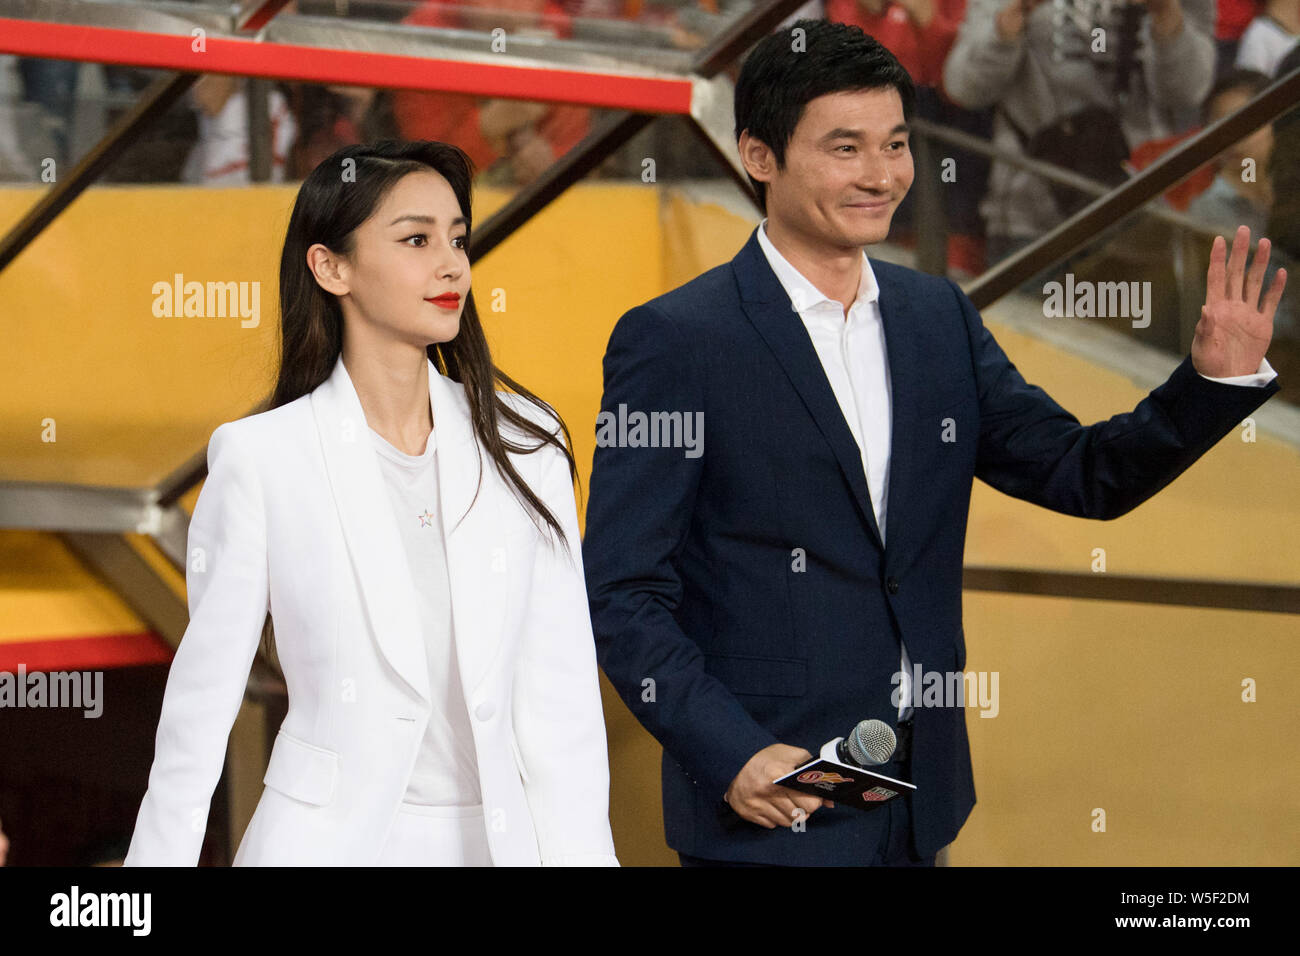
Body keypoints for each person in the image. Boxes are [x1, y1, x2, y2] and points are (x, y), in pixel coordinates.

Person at [581, 19, 1285, 867]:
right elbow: (622, 590)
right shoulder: (677, 339)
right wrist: (730, 750)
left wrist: (1210, 384)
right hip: (767, 811)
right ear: (759, 156)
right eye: (846, 148)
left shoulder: (936, 317)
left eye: (896, 144)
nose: (882, 176)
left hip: (918, 807)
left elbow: (1081, 473)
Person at [124, 140, 618, 867]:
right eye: (416, 239)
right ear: (331, 266)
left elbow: (563, 703)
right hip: (324, 846)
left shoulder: (528, 445)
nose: (451, 264)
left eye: (457, 238)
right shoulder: (263, 457)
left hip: (499, 845)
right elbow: (200, 708)